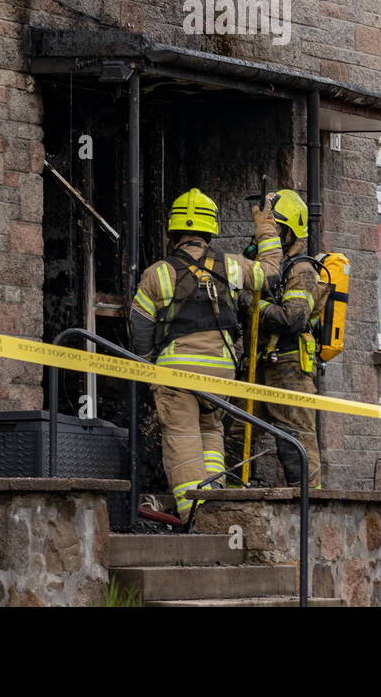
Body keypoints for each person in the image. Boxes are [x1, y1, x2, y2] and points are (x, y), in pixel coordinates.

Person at [129, 188, 280, 519]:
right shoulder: (231, 266)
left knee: (182, 441)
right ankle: (215, 513)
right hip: (221, 374)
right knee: (211, 433)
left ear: (174, 230)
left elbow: (139, 328)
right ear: (210, 230)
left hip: (175, 374)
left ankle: (193, 522)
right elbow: (271, 271)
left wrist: (149, 362)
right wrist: (265, 223)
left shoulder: (157, 273)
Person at [251, 188, 323, 488]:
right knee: (233, 434)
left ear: (291, 232)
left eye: (276, 228)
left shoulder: (302, 270)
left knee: (295, 446)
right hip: (259, 364)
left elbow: (293, 319)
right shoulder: (268, 264)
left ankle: (312, 509)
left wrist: (255, 304)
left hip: (291, 367)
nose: (271, 234)